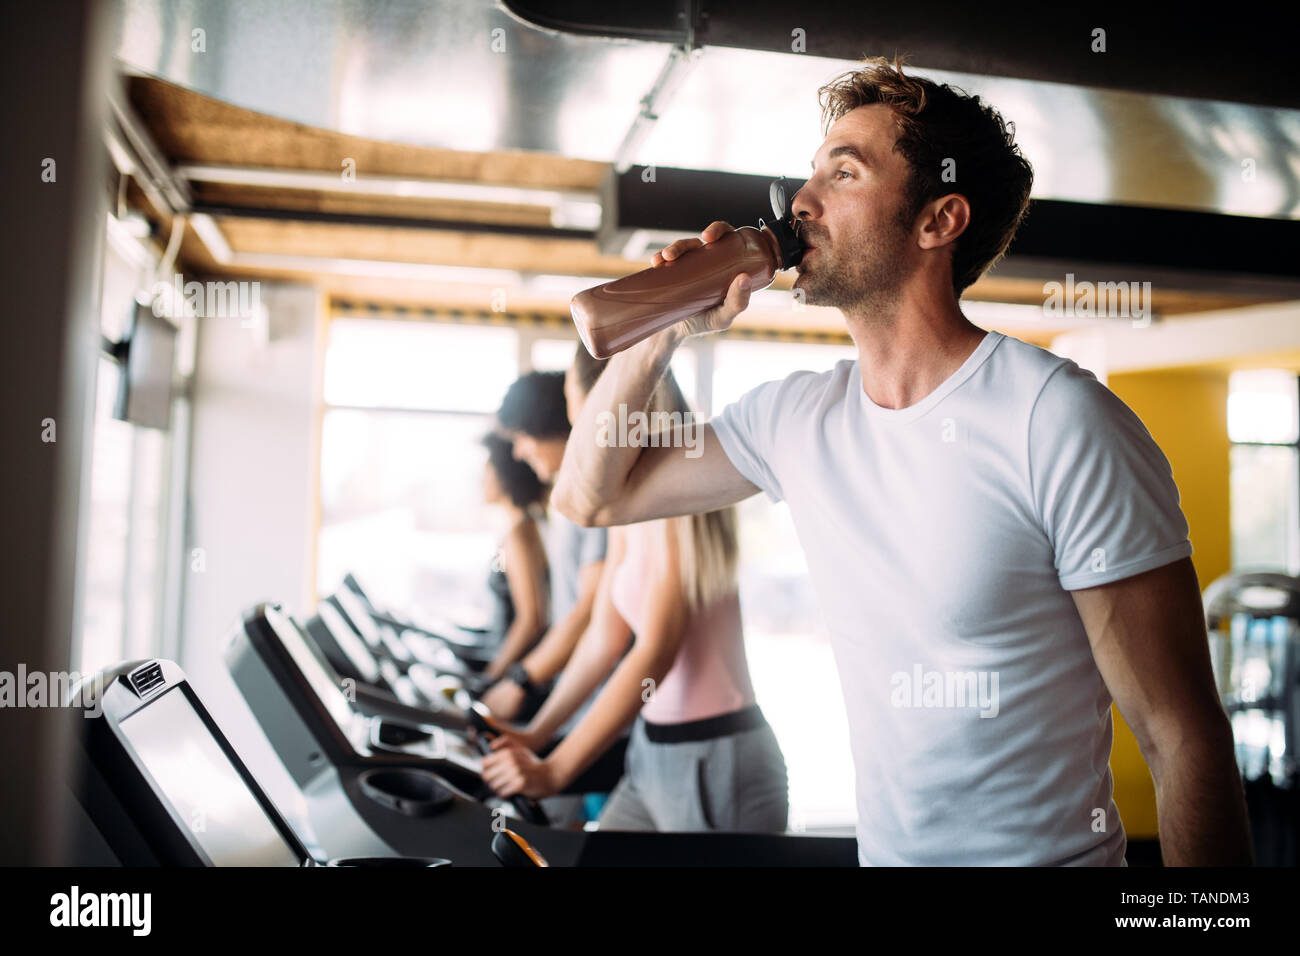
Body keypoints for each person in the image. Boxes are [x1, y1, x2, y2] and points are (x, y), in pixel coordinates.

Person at [547, 55, 1253, 865]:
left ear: (937, 221)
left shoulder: (1057, 420)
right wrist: (664, 330)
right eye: (808, 175)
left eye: (843, 173)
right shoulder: (796, 417)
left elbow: (1181, 735)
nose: (798, 203)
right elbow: (591, 500)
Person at [481, 351, 788, 833]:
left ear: (611, 404)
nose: (573, 424)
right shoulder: (625, 507)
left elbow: (656, 650)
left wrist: (555, 770)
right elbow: (603, 638)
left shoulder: (679, 495)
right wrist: (535, 734)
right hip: (653, 749)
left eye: (575, 407)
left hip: (714, 758)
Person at [480, 370, 609, 720]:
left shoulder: (594, 502)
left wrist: (517, 680)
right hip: (572, 695)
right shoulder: (563, 507)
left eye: (523, 437)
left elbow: (590, 610)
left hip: (597, 702)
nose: (519, 452)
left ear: (553, 428)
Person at [478, 432, 549, 681]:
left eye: (488, 470)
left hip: (512, 672)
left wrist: (490, 678)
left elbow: (531, 620)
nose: (481, 479)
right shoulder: (521, 528)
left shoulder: (519, 536)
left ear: (505, 475)